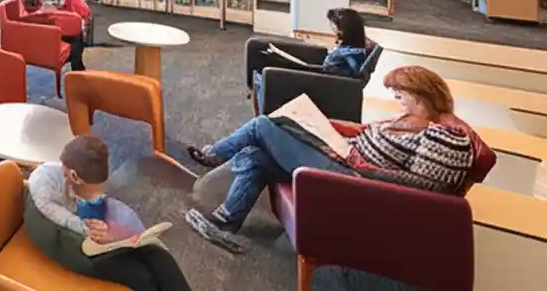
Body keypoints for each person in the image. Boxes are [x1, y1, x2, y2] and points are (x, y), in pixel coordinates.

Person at [184, 66, 481, 254]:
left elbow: (423, 186)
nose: (397, 101)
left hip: (350, 178)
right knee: (258, 154)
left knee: (262, 126)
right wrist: (332, 136)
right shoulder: (413, 121)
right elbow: (369, 135)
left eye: (400, 95)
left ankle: (215, 155)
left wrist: (360, 165)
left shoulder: (442, 138)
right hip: (345, 159)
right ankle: (226, 222)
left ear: (421, 96)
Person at [27, 135, 191, 291]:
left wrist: (120, 237)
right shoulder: (45, 191)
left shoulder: (68, 174)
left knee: (159, 254)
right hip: (63, 239)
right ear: (74, 176)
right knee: (140, 275)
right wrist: (99, 235)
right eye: (90, 190)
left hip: (77, 231)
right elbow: (68, 223)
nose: (96, 196)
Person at [252, 7, 374, 104]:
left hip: (318, 86)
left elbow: (354, 73)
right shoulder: (354, 49)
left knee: (261, 77)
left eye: (334, 28)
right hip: (321, 78)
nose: (333, 31)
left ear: (343, 31)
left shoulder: (352, 55)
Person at [19, 0, 87, 71]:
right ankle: (77, 67)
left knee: (76, 33)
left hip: (46, 35)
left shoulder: (37, 10)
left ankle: (77, 66)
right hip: (52, 38)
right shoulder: (49, 10)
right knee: (77, 34)